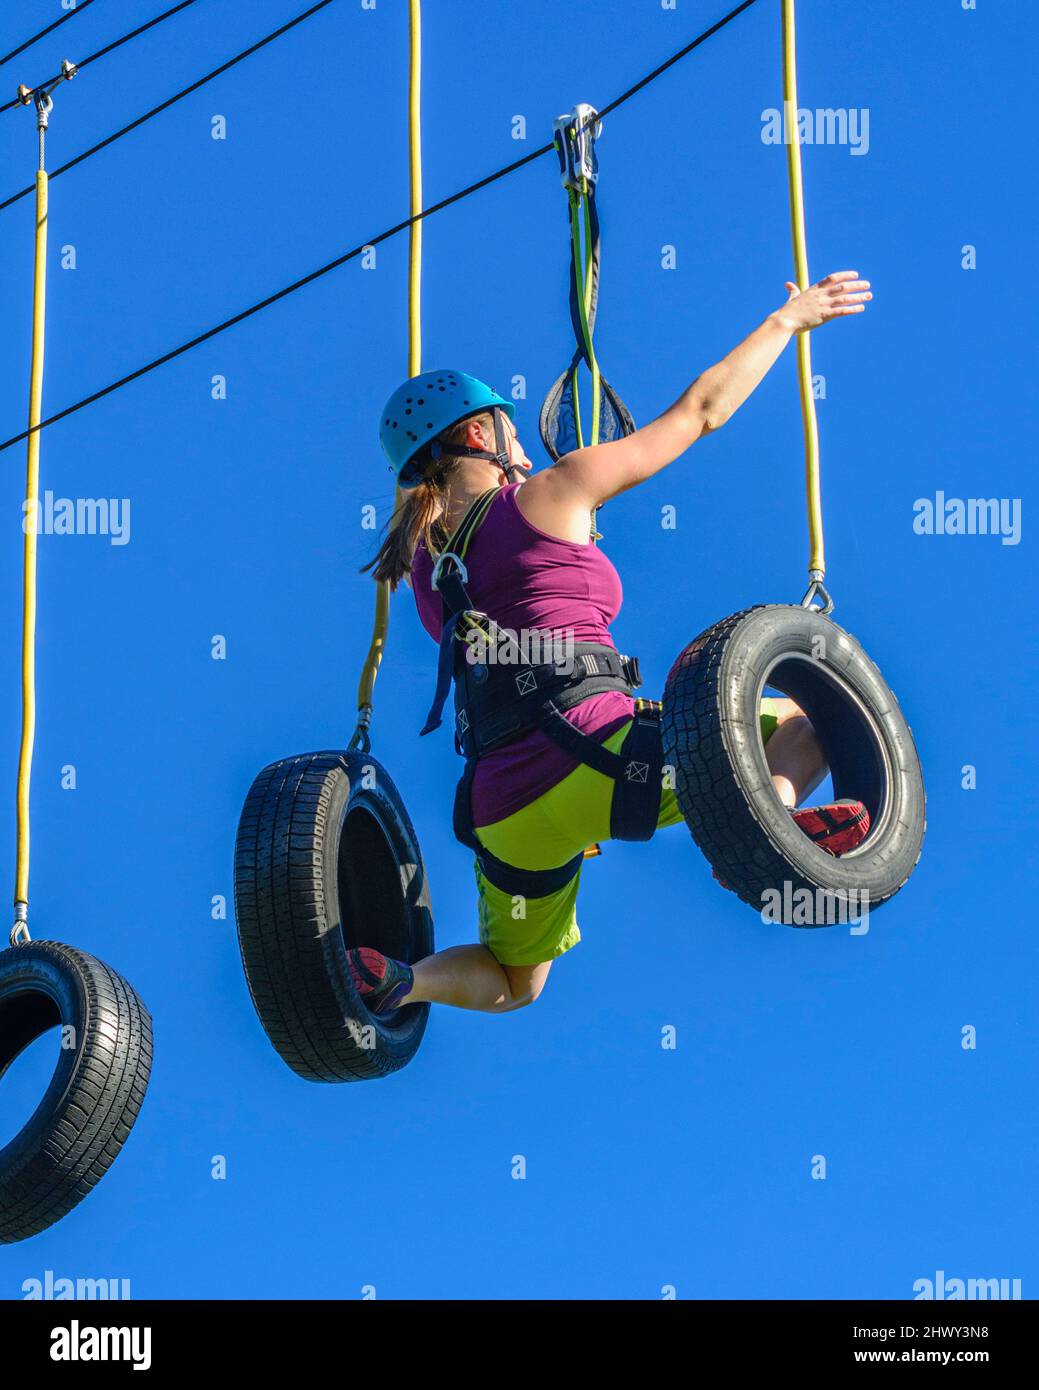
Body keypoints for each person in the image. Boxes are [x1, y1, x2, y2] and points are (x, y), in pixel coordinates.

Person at [352, 271, 873, 1015]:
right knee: (811, 716)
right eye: (505, 428)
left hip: (506, 810)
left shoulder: (425, 572)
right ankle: (762, 831)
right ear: (477, 435)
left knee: (513, 984)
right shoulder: (554, 490)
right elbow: (699, 411)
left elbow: (513, 604)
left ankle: (403, 981)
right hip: (607, 751)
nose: (520, 447)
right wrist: (786, 322)